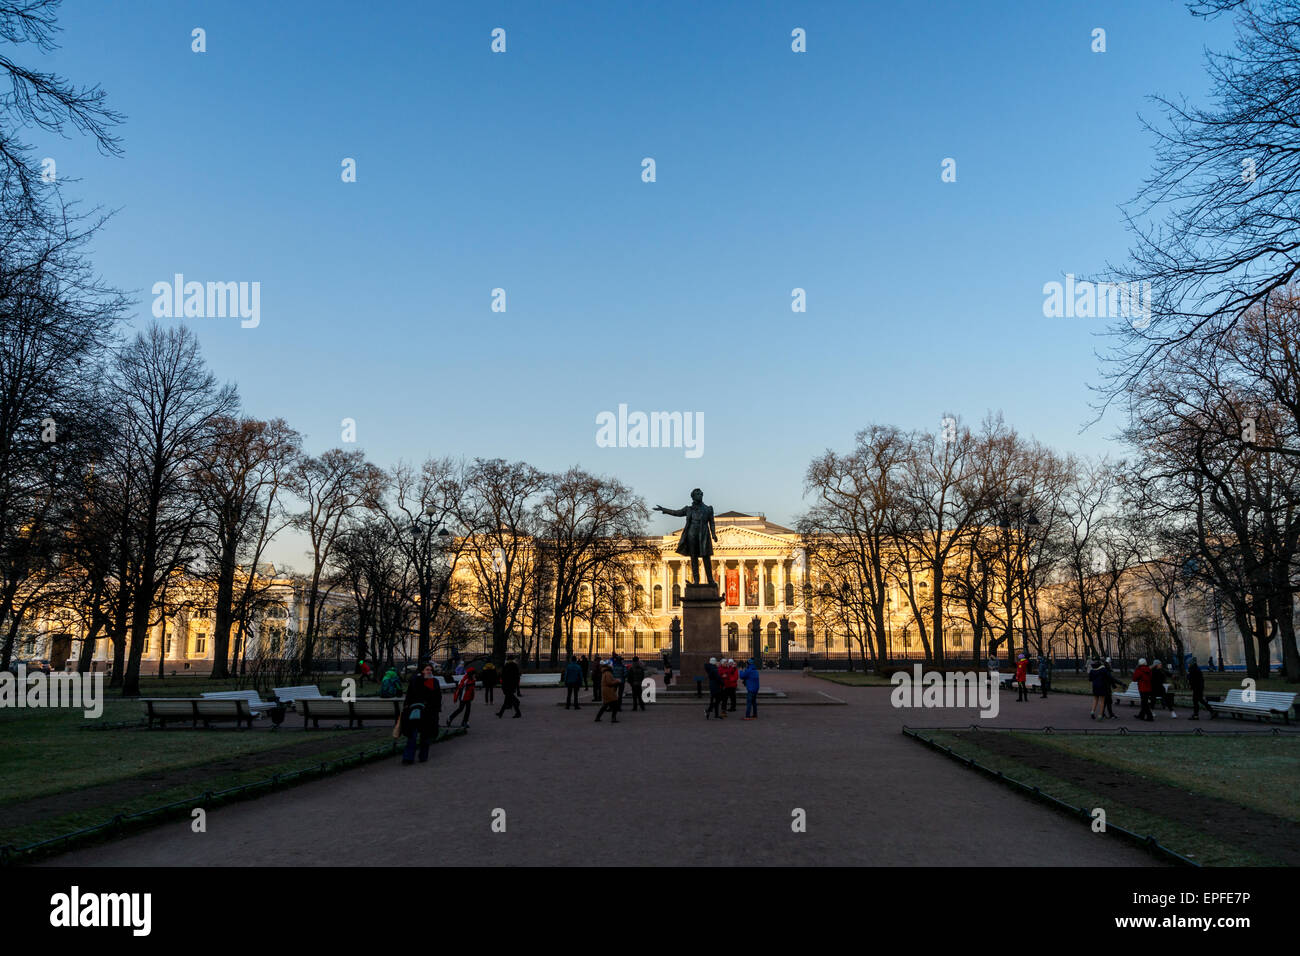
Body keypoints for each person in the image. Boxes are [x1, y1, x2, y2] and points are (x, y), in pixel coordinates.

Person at [398, 662, 441, 764]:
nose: (429, 671)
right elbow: (410, 695)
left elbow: (437, 697)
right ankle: (408, 757)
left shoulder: (433, 681)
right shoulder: (417, 680)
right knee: (412, 735)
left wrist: (436, 710)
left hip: (428, 713)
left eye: (430, 670)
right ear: (422, 671)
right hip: (416, 711)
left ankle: (423, 756)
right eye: (427, 669)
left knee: (425, 736)